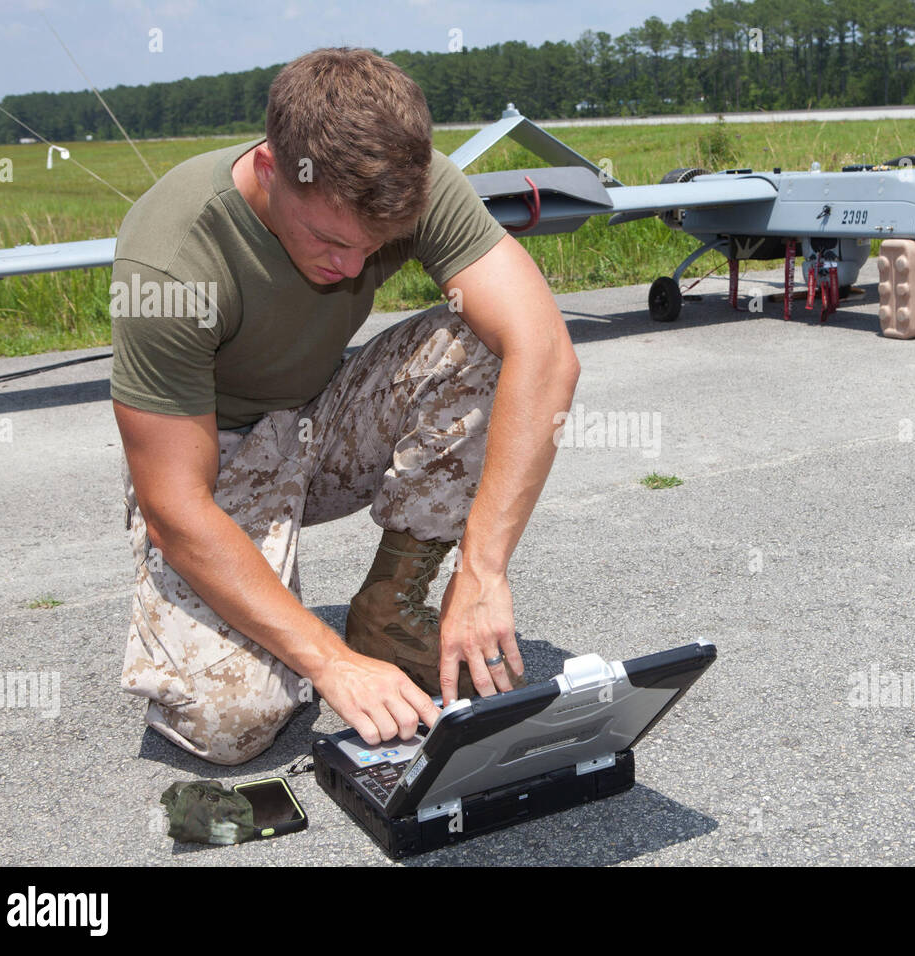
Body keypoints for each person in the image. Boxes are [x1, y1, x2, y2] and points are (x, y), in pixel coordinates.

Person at [109, 47, 579, 765]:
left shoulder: (407, 182)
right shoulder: (172, 259)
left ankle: (391, 607)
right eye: (330, 240)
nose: (353, 269)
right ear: (271, 170)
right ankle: (329, 644)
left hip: (321, 419)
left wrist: (483, 570)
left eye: (376, 245)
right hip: (220, 460)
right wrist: (330, 665)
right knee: (233, 721)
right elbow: (175, 507)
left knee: (490, 344)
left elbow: (545, 353)